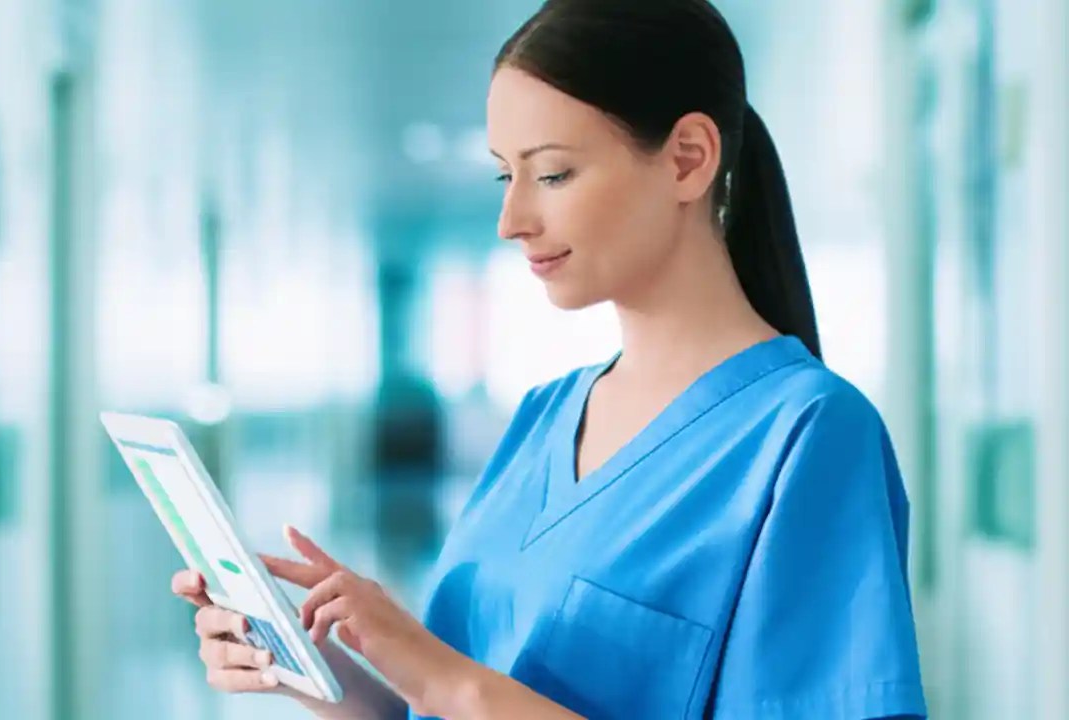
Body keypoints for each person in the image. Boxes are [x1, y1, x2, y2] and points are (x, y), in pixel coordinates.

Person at [172, 0, 928, 717]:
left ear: (688, 160)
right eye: (507, 174)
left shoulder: (809, 435)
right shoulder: (545, 417)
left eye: (553, 173)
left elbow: (464, 697)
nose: (511, 218)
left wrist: (447, 681)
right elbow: (443, 710)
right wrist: (319, 670)